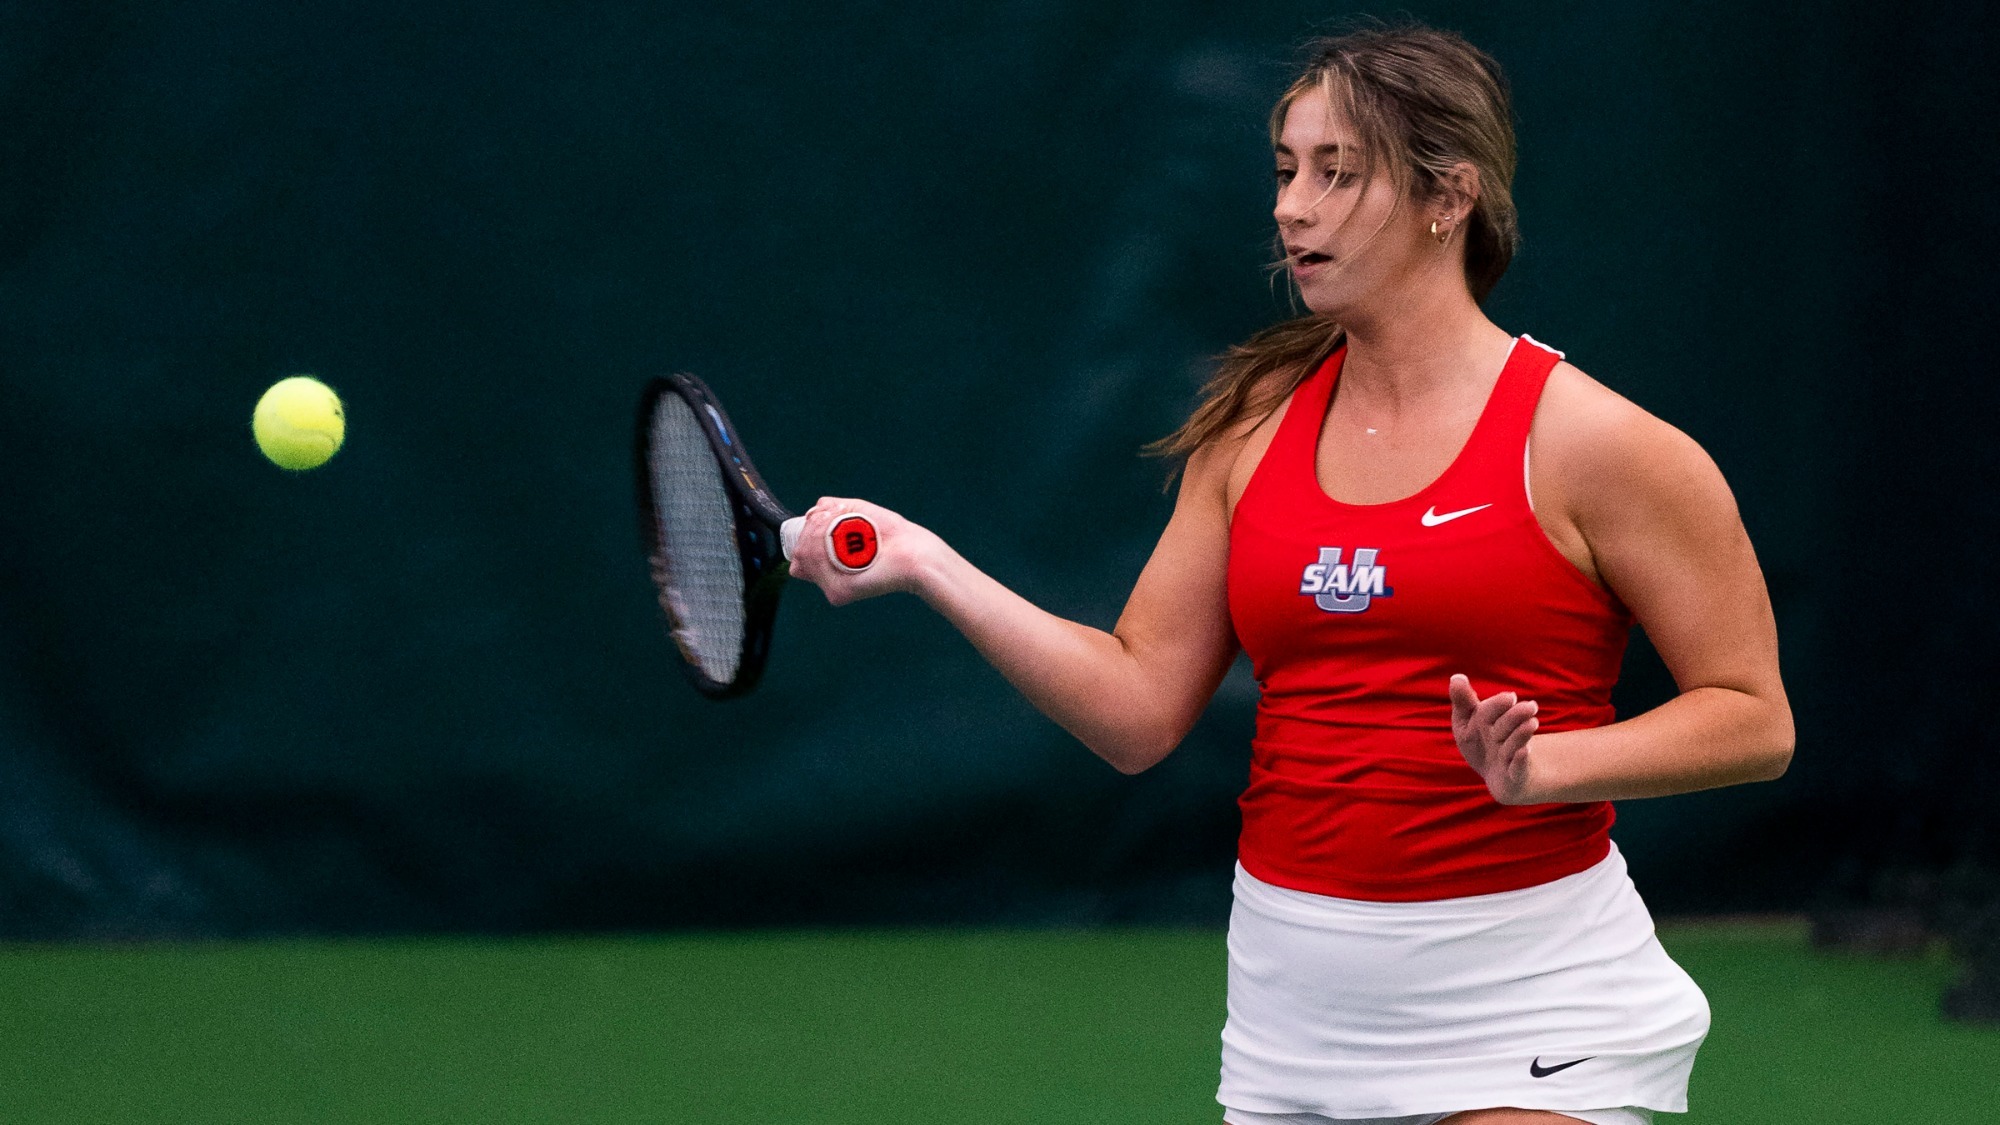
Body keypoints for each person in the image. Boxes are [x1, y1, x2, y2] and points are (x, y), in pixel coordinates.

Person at [786, 22, 1793, 1125]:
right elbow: (1133, 711)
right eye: (1283, 169)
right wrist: (929, 566)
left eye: (1335, 172)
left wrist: (1549, 768)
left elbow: (1752, 720)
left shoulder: (1604, 448)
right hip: (1289, 1014)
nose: (1289, 205)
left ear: (1445, 196)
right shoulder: (1250, 429)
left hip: (1529, 1001)